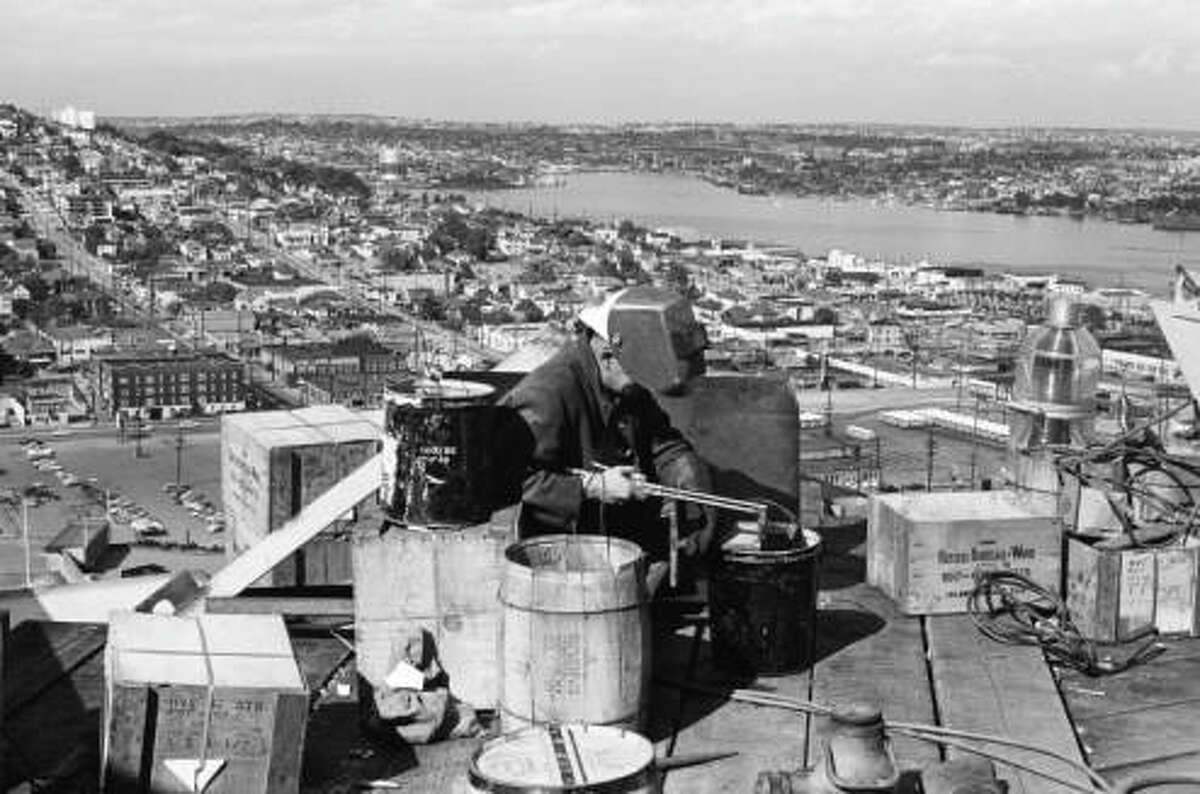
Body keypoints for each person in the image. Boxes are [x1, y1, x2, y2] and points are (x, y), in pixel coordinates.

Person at [495, 286, 714, 572]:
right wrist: (592, 487)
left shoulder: (626, 379)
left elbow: (662, 441)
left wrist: (686, 474)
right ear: (608, 355)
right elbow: (506, 481)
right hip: (561, 556)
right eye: (638, 381)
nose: (643, 389)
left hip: (617, 539)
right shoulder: (547, 393)